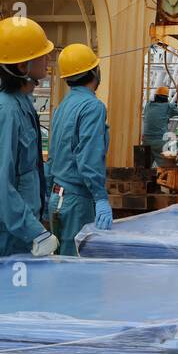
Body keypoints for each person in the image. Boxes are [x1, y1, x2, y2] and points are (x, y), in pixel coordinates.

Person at [0, 15, 57, 260]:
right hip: (7, 234)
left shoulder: (17, 99)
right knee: (8, 297)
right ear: (22, 67)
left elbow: (28, 168)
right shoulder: (4, 110)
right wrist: (35, 232)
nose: (48, 58)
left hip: (17, 228)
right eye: (42, 54)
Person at [47, 43, 113, 255]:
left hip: (57, 198)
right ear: (94, 72)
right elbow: (89, 158)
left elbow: (53, 157)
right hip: (77, 202)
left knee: (62, 270)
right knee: (77, 276)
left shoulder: (62, 107)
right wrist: (100, 197)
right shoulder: (93, 107)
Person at [142, 85, 178, 164]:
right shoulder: (168, 106)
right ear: (166, 97)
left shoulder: (147, 106)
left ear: (155, 96)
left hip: (145, 141)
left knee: (142, 170)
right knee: (169, 170)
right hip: (160, 142)